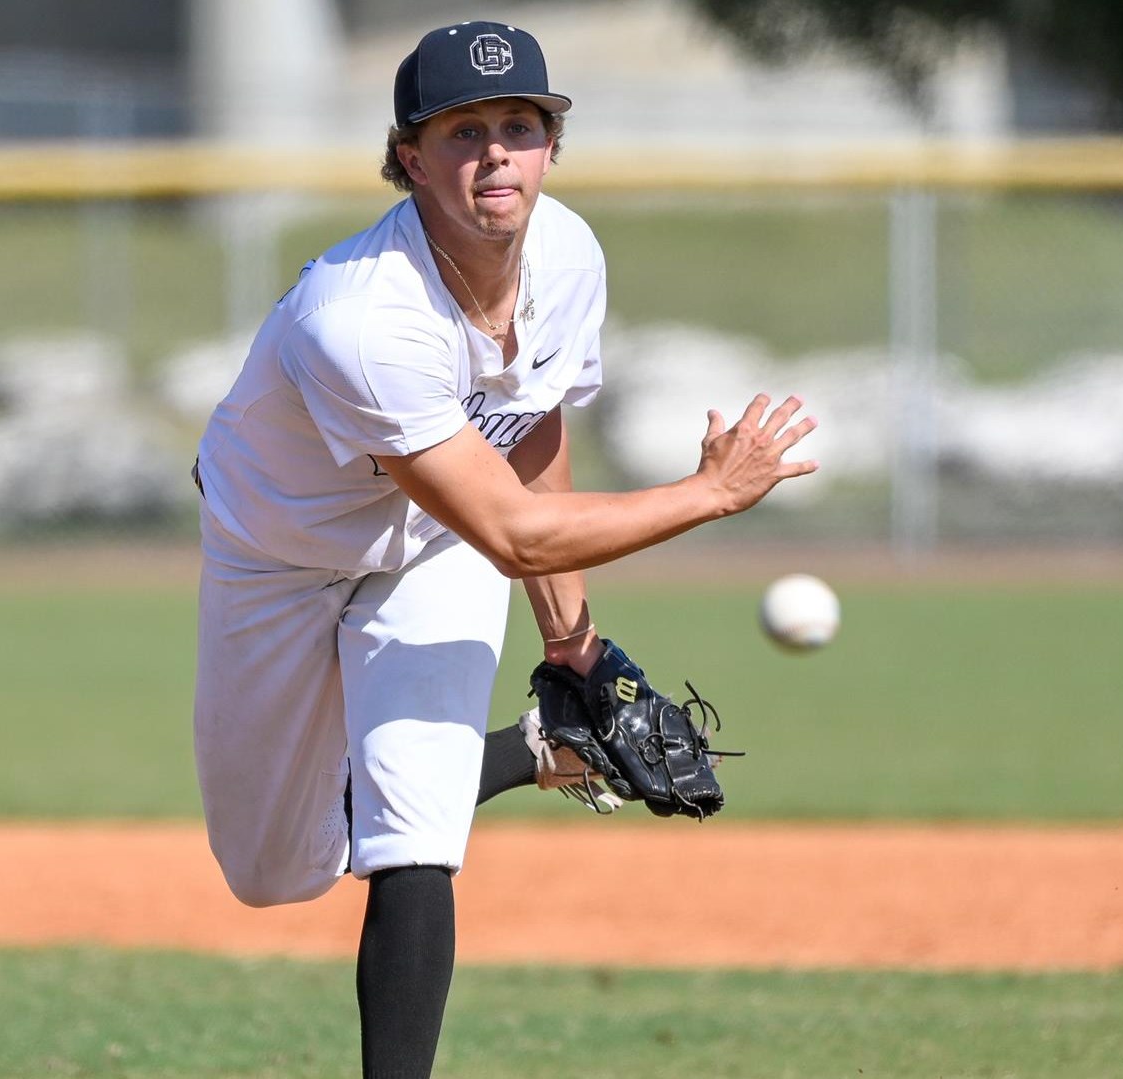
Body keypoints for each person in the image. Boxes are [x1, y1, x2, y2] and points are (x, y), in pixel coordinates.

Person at [190, 19, 817, 1078]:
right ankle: (525, 751)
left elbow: (532, 434)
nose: (496, 152)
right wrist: (708, 494)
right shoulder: (361, 315)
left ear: (551, 147)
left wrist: (575, 647)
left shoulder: (567, 255)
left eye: (520, 125)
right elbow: (514, 528)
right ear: (409, 158)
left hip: (435, 543)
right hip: (283, 553)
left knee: (416, 835)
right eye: (464, 129)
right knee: (272, 871)